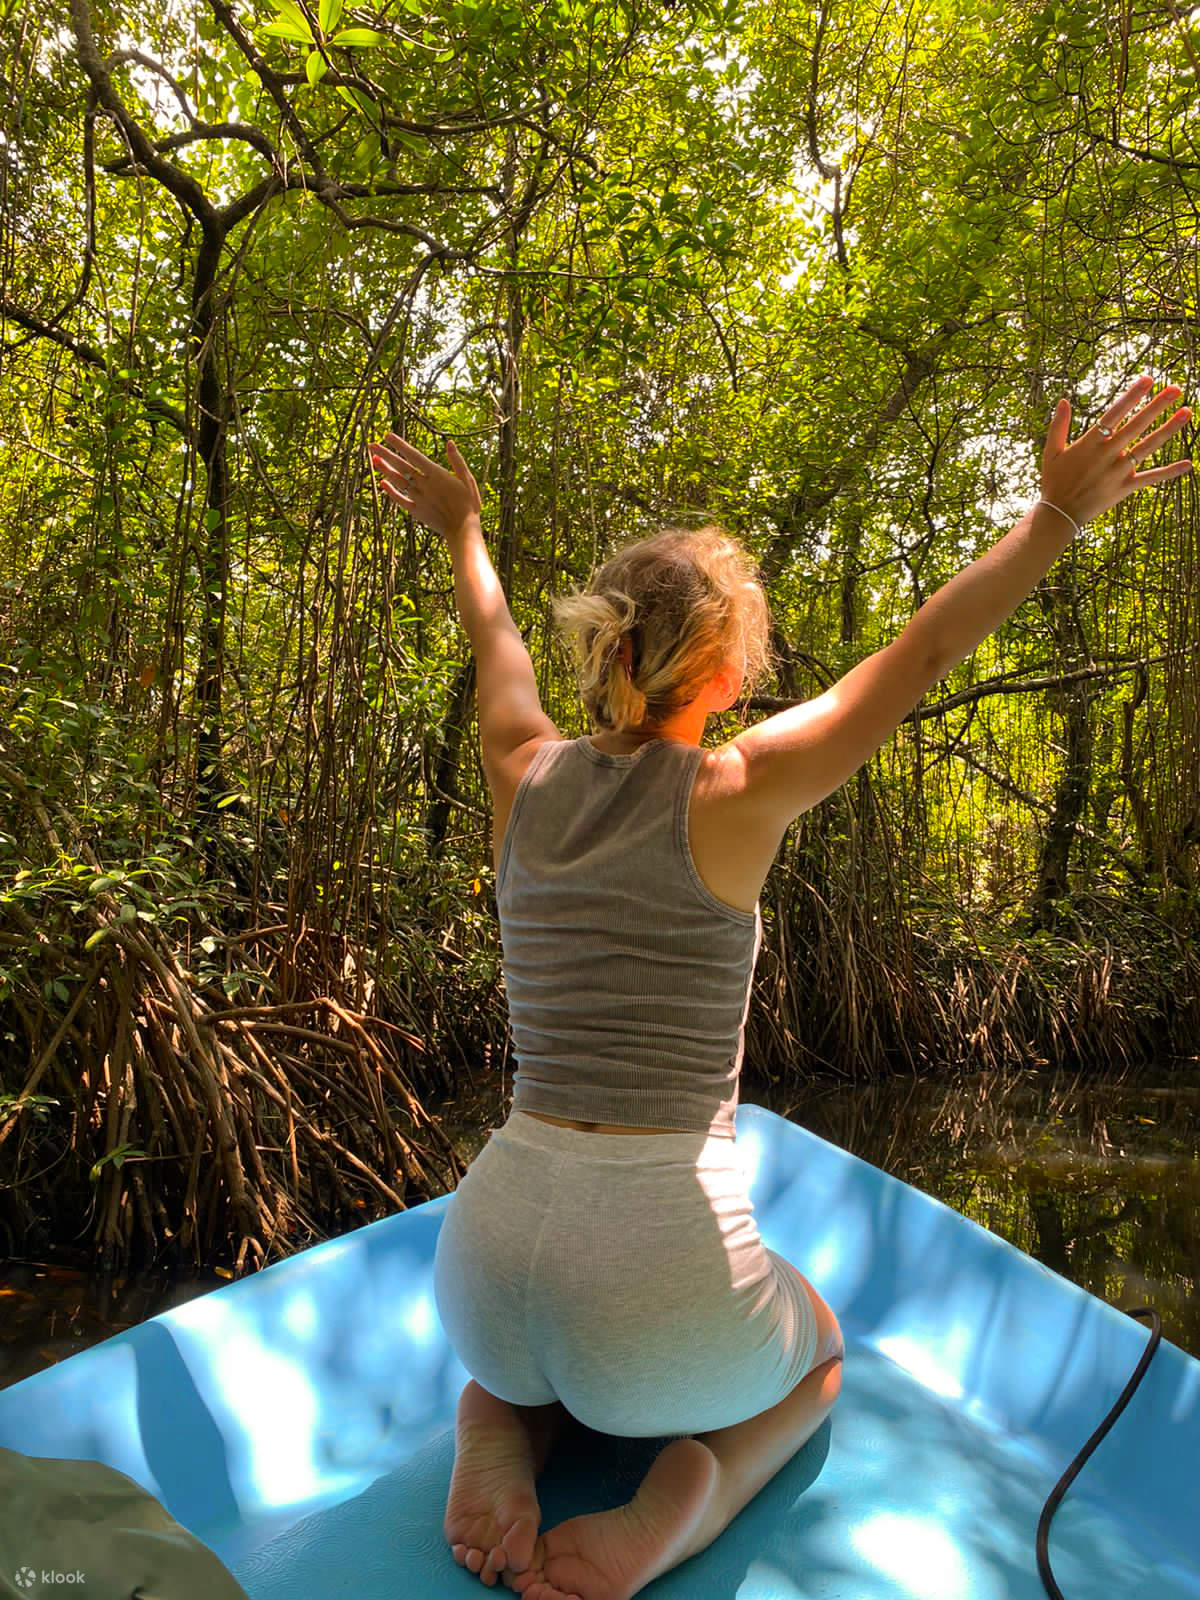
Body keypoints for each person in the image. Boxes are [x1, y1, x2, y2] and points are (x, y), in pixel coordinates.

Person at [367, 374, 1191, 1600]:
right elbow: (919, 651)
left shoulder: (519, 767)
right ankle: (679, 1509)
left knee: (524, 1361)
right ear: (720, 673)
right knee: (819, 1355)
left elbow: (492, 638)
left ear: (606, 645)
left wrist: (464, 529)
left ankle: (501, 1419)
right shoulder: (734, 786)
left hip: (486, 1259)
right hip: (653, 1276)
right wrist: (1055, 517)